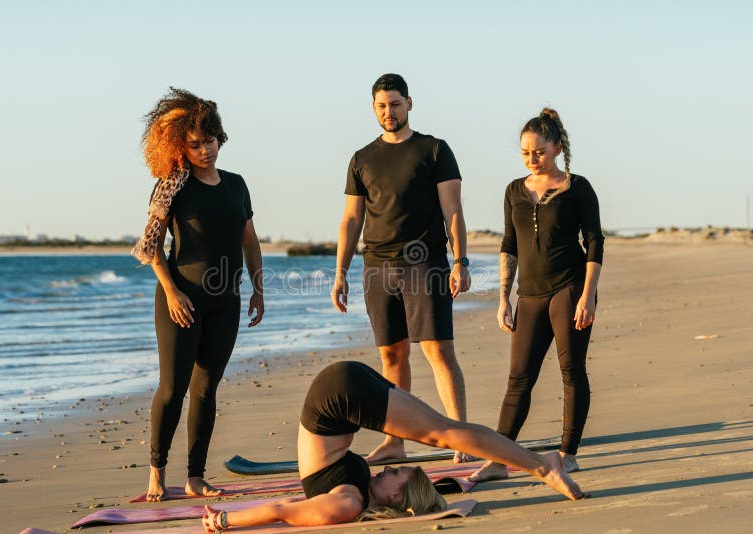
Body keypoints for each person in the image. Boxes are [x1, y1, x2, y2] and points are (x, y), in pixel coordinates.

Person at [202, 360, 584, 532]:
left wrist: (222, 520)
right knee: (444, 429)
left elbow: (282, 510)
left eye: (397, 472)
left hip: (340, 396)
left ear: (397, 495)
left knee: (444, 432)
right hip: (342, 395)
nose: (389, 469)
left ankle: (541, 466)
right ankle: (540, 464)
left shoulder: (348, 503)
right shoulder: (358, 492)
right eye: (397, 469)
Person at [332, 73, 474, 463]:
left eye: (395, 104)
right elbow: (350, 220)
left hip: (424, 263)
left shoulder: (434, 150)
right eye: (381, 105)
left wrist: (460, 261)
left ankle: (460, 435)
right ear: (373, 109)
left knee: (438, 349)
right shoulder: (361, 158)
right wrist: (340, 272)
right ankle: (396, 442)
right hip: (377, 267)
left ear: (409, 104)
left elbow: (453, 210)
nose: (388, 112)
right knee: (391, 357)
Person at [132, 88, 265, 501]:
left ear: (219, 139)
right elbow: (150, 247)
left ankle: (194, 477)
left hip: (226, 301)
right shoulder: (172, 186)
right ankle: (156, 472)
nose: (205, 150)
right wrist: (171, 292)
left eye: (210, 142)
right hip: (182, 300)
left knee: (206, 390)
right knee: (173, 389)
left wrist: (259, 288)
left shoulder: (237, 185)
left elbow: (250, 239)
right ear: (180, 146)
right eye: (195, 144)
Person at [469, 108, 603, 483]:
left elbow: (593, 242)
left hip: (570, 288)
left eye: (539, 151)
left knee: (571, 371)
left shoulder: (577, 187)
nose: (532, 158)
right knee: (518, 378)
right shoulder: (514, 190)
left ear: (557, 148)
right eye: (526, 151)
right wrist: (503, 298)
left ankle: (568, 453)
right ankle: (498, 460)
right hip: (528, 295)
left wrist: (587, 295)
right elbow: (508, 245)